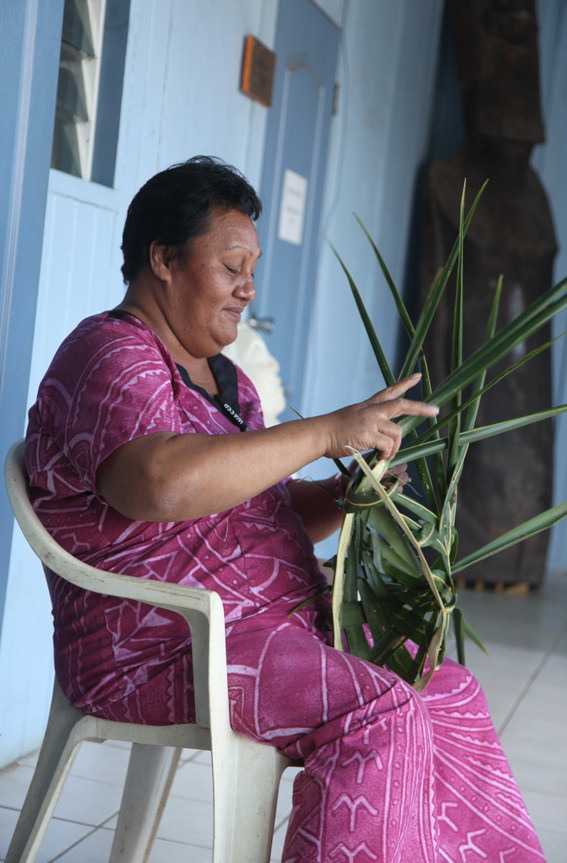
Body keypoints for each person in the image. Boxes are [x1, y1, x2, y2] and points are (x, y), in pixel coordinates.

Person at [25, 156, 546, 862]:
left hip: (269, 629)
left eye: (253, 269)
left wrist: (348, 493)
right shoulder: (111, 353)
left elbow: (263, 511)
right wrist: (327, 432)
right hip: (162, 648)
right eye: (231, 267)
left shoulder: (232, 384)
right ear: (163, 259)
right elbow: (159, 484)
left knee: (444, 689)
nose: (248, 288)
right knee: (377, 711)